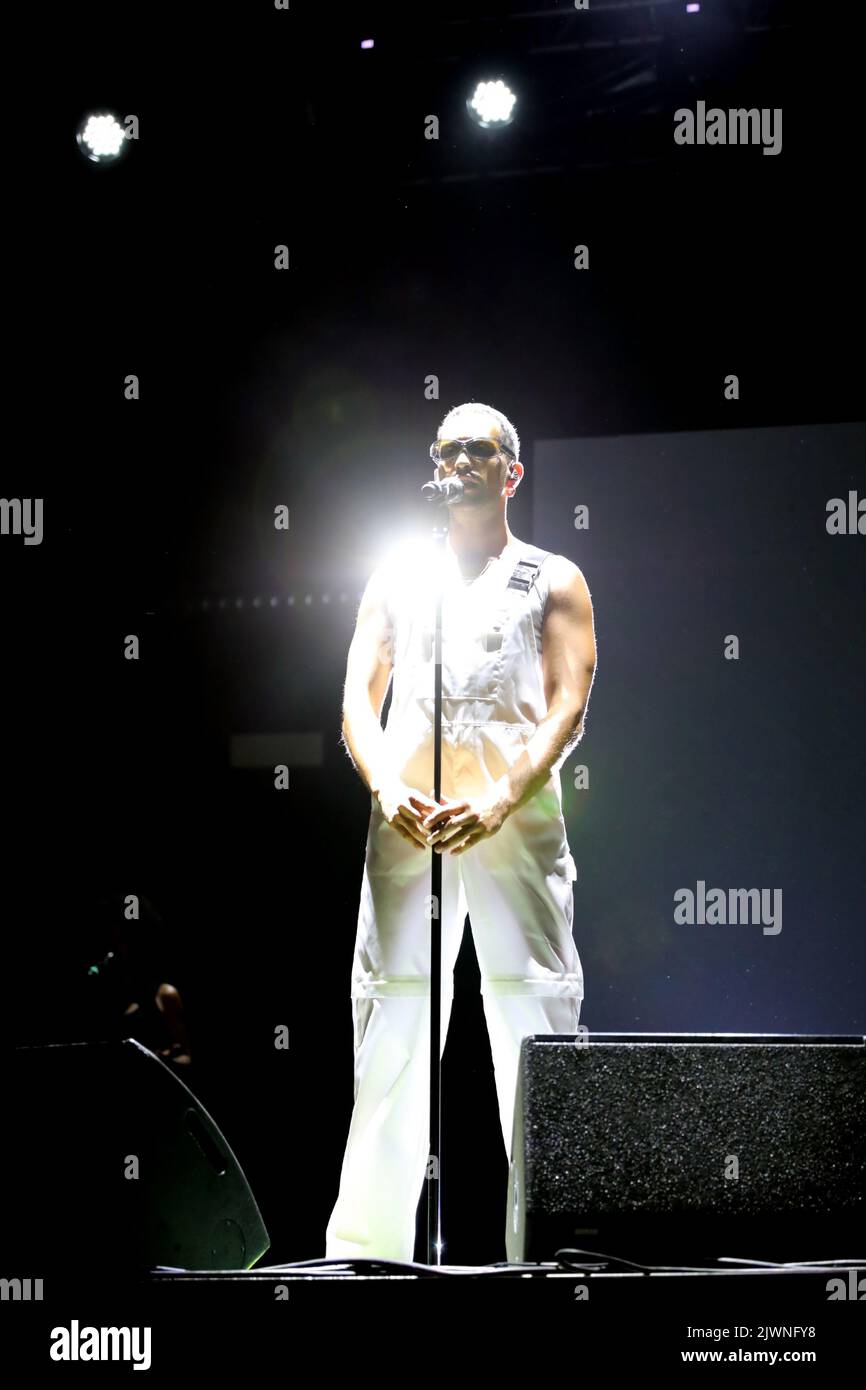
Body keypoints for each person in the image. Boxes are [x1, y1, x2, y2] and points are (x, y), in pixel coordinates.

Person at [325, 401, 597, 1261]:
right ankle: (368, 1253)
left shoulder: (554, 576)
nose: (457, 461)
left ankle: (557, 1244)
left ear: (512, 471)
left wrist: (502, 797)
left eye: (475, 449)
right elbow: (357, 700)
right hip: (409, 821)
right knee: (393, 1015)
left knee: (536, 1012)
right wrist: (384, 786)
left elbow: (569, 703)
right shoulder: (398, 574)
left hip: (514, 821)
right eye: (444, 449)